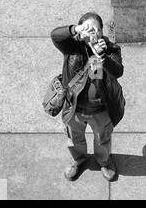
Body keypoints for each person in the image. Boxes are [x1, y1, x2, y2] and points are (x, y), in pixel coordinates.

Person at [50, 12, 124, 182]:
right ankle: (78, 159)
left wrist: (103, 58)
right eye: (88, 29)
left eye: (97, 30)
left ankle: (104, 161)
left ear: (102, 32)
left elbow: (118, 71)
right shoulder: (72, 47)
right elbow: (55, 36)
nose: (93, 34)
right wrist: (74, 29)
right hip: (74, 107)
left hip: (100, 109)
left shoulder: (110, 49)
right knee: (74, 138)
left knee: (102, 138)